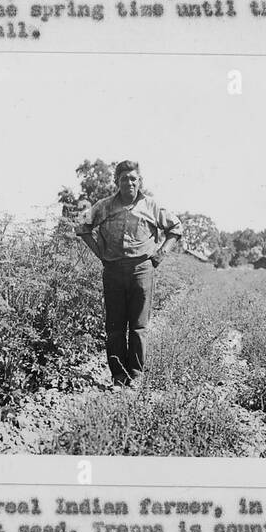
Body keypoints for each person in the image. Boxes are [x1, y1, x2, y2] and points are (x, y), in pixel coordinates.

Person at [76, 161, 182, 387]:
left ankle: (135, 375)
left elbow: (175, 228)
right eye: (124, 178)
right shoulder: (104, 206)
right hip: (113, 271)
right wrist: (100, 254)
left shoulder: (152, 206)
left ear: (139, 181)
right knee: (114, 327)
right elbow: (82, 227)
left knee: (138, 326)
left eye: (133, 178)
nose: (129, 182)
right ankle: (117, 376)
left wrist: (161, 253)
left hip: (141, 270)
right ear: (117, 182)